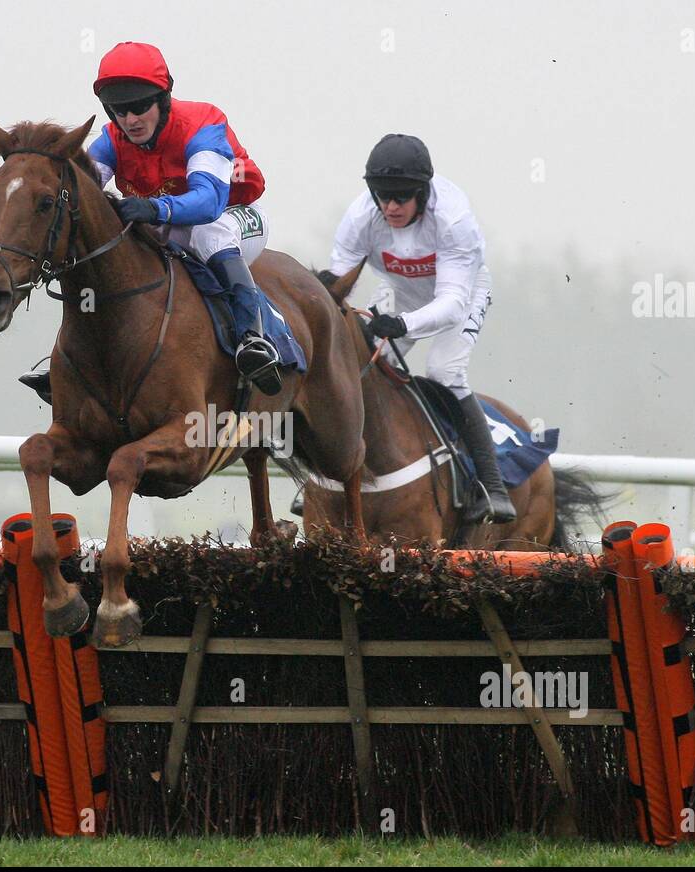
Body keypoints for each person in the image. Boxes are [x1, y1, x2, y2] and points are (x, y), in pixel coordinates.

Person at [322, 133, 515, 523]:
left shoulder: (454, 219)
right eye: (382, 196)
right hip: (402, 293)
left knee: (444, 371)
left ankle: (492, 487)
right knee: (358, 363)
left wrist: (403, 323)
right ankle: (333, 469)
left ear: (423, 193)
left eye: (401, 198)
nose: (390, 207)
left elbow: (450, 304)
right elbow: (338, 280)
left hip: (460, 295)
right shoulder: (362, 215)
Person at [85, 41, 282, 395]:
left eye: (139, 106)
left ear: (163, 98)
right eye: (118, 110)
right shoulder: (111, 138)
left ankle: (253, 338)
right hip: (170, 221)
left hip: (233, 213)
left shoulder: (202, 123)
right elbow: (83, 191)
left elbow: (207, 202)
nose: (129, 120)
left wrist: (154, 208)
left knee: (210, 233)